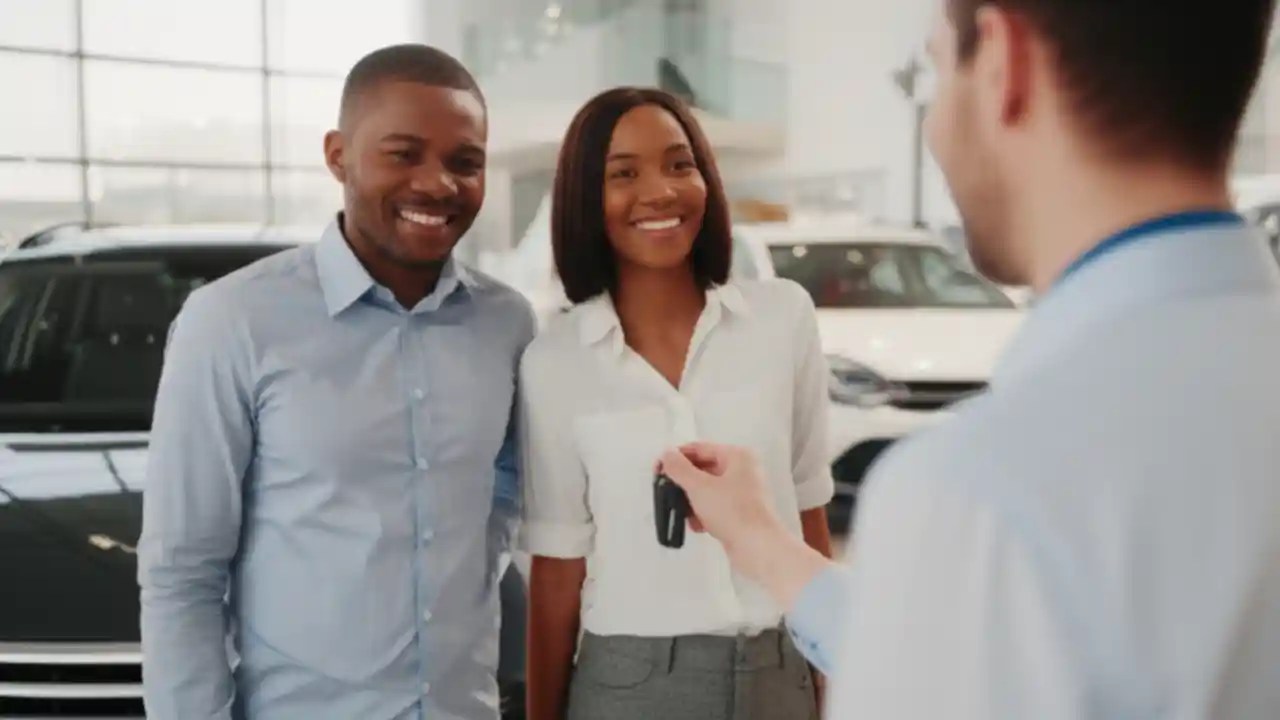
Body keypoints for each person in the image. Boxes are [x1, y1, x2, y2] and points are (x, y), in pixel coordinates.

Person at [660, 0, 1280, 717]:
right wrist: (765, 543)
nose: (933, 128)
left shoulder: (986, 492)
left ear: (1000, 60)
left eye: (934, 71)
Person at [138, 45, 535, 720]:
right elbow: (182, 571)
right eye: (403, 153)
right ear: (337, 155)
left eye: (464, 162)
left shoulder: (507, 324)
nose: (437, 184)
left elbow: (501, 498)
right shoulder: (233, 322)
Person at [520, 87, 835, 720]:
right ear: (586, 197)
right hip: (629, 688)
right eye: (623, 174)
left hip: (781, 676)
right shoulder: (554, 362)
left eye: (679, 163)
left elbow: (808, 513)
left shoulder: (783, 318)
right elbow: (557, 571)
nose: (660, 191)